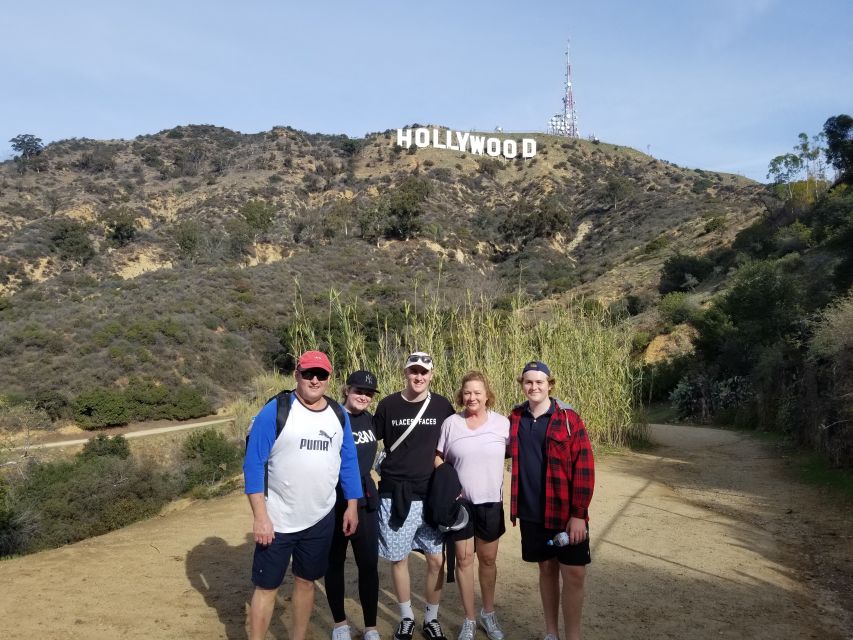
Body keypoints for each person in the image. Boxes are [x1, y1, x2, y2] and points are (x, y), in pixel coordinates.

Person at [243, 350, 363, 640]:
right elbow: (253, 463)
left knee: (306, 581)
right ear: (297, 374)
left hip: (320, 517)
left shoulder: (338, 415)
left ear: (329, 379)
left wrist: (352, 505)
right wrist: (261, 516)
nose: (314, 379)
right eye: (308, 373)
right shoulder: (276, 409)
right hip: (278, 518)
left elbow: (348, 462)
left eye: (321, 375)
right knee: (267, 587)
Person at [508, 361, 595, 640]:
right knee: (546, 569)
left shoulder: (569, 419)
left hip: (565, 513)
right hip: (533, 512)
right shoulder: (516, 417)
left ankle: (573, 636)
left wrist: (579, 513)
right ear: (522, 384)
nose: (534, 387)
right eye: (528, 382)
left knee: (574, 574)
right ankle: (550, 633)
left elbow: (584, 465)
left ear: (550, 384)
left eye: (539, 382)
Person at [373, 351, 456, 640]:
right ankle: (407, 617)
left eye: (424, 372)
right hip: (395, 495)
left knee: (436, 560)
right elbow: (369, 439)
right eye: (413, 371)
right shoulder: (388, 405)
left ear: (431, 375)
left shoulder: (443, 406)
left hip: (432, 496)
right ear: (405, 373)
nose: (418, 377)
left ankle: (431, 618)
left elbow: (454, 443)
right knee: (399, 559)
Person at [435, 371, 510, 640]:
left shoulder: (503, 424)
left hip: (491, 502)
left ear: (487, 395)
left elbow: (516, 454)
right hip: (461, 506)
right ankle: (469, 617)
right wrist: (448, 487)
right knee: (464, 561)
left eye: (477, 392)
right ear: (461, 395)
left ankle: (487, 613)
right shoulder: (451, 424)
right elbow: (438, 457)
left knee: (488, 560)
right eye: (467, 392)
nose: (472, 397)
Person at [325, 370, 382, 640]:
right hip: (333, 500)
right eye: (359, 391)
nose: (364, 397)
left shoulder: (371, 421)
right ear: (346, 390)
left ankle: (370, 628)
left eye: (369, 393)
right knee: (334, 562)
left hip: (365, 498)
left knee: (368, 564)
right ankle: (340, 625)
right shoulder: (332, 417)